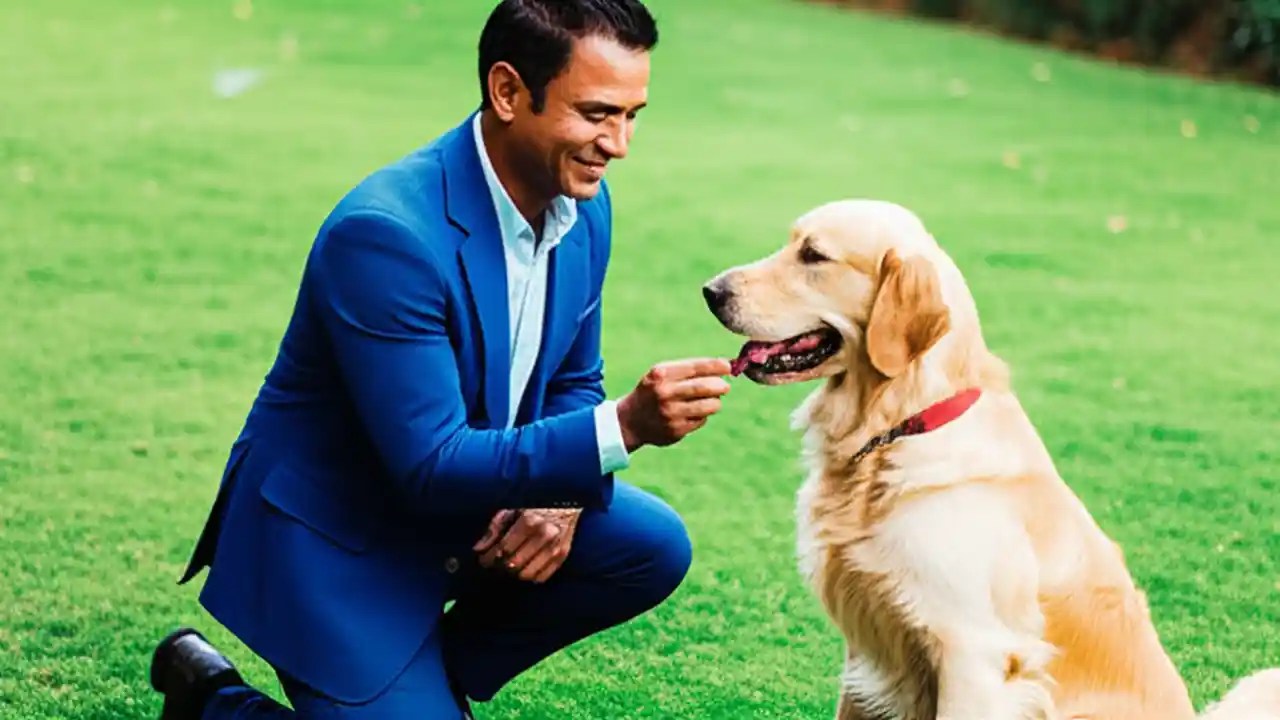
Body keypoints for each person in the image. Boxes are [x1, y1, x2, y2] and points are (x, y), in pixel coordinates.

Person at [147, 1, 732, 717]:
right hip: (340, 539)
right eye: (597, 114)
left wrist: (561, 496)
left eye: (633, 115)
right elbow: (432, 464)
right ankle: (211, 699)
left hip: (463, 512)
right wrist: (625, 427)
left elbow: (573, 377)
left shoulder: (582, 205)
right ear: (508, 92)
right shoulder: (385, 235)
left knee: (651, 546)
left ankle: (414, 685)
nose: (619, 144)